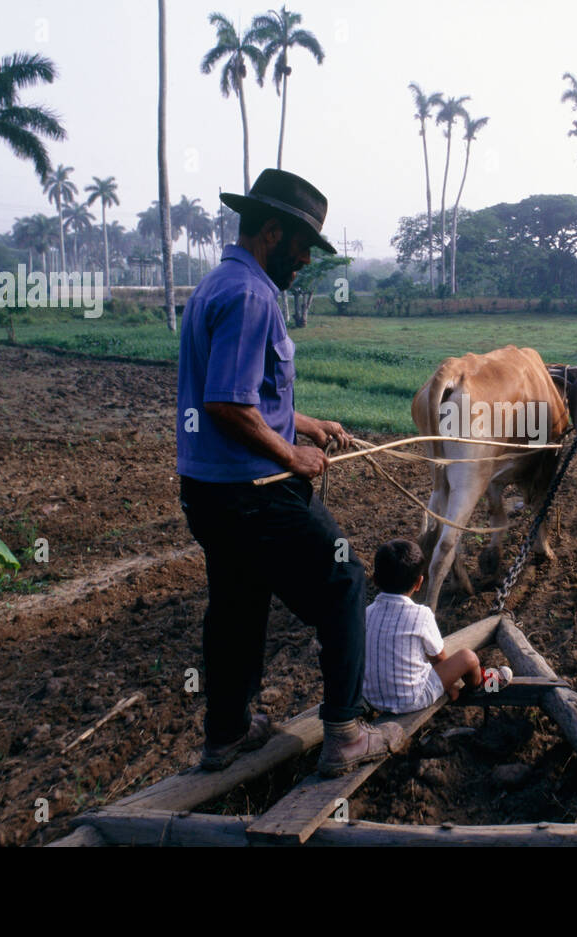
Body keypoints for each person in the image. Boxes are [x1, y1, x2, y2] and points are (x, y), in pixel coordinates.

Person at [176, 168, 403, 775]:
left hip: (210, 492)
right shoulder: (253, 296)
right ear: (271, 233)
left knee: (237, 602)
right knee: (345, 582)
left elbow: (246, 394)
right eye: (302, 246)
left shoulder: (217, 285)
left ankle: (226, 733)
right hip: (258, 493)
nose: (305, 260)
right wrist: (292, 456)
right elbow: (227, 405)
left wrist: (303, 425)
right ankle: (346, 734)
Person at [364, 539, 512, 714]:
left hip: (373, 696)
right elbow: (439, 658)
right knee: (468, 658)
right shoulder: (421, 615)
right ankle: (486, 685)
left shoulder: (366, 613)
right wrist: (449, 684)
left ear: (374, 580)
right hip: (409, 700)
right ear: (419, 583)